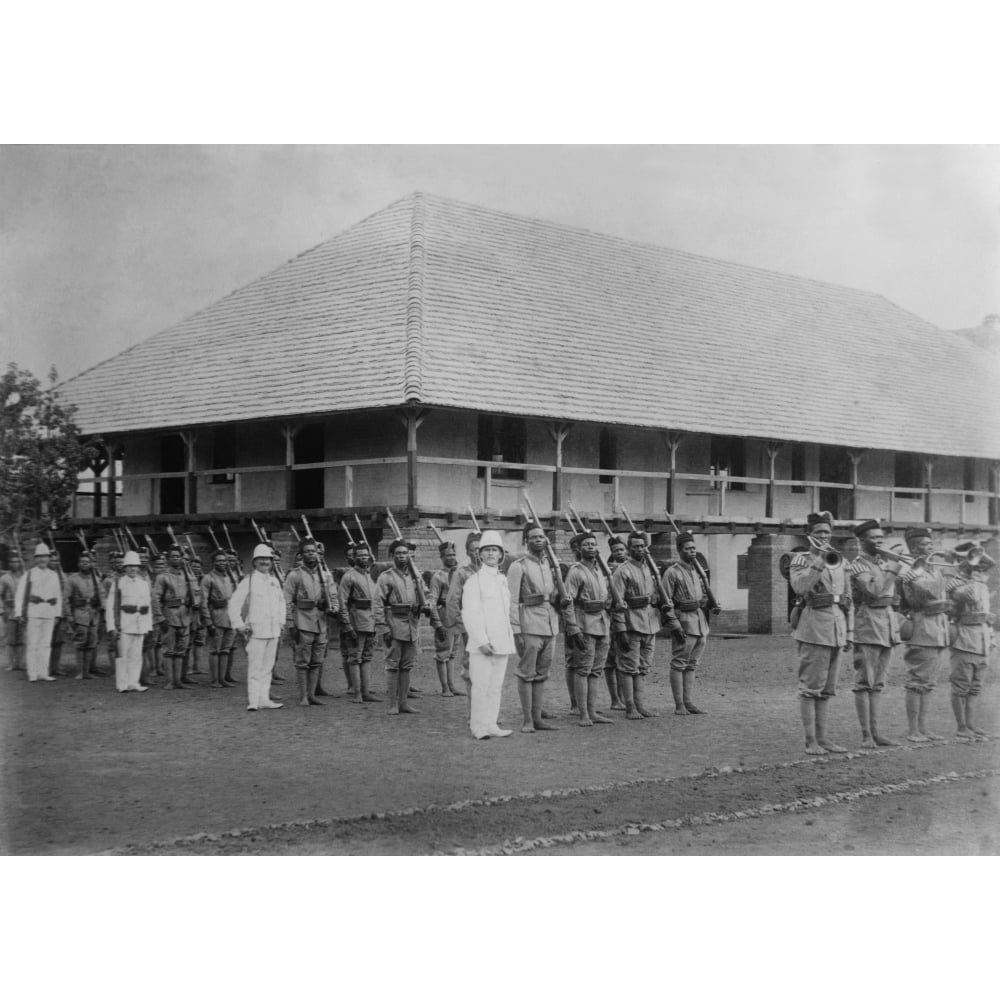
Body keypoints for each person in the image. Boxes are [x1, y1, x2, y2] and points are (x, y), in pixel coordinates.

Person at [788, 512, 853, 754]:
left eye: (827, 532)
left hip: (837, 627)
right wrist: (818, 560)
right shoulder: (800, 559)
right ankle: (810, 741)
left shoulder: (841, 560)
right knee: (810, 688)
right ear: (809, 535)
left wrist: (851, 631)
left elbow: (849, 599)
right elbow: (801, 587)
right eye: (818, 532)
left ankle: (824, 738)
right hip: (813, 628)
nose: (824, 536)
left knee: (827, 690)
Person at [611, 531, 681, 720]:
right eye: (635, 546)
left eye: (642, 546)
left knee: (642, 667)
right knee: (628, 667)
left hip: (650, 623)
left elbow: (655, 596)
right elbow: (616, 603)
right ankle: (630, 707)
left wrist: (659, 600)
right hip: (631, 624)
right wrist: (620, 630)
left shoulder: (650, 570)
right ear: (629, 548)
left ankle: (640, 705)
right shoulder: (622, 571)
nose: (639, 549)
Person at [847, 519, 901, 747]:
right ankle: (866, 735)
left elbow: (891, 594)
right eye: (874, 538)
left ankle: (876, 732)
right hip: (867, 622)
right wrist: (894, 568)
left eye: (881, 538)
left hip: (886, 622)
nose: (879, 541)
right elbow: (873, 591)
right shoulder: (858, 565)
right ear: (861, 540)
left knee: (878, 683)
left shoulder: (881, 563)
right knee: (864, 682)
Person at [506, 522, 564, 733]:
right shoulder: (518, 565)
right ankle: (527, 720)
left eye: (541, 537)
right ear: (526, 541)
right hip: (529, 624)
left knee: (542, 674)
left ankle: (538, 718)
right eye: (534, 537)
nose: (539, 540)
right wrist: (516, 630)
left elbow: (555, 595)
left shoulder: (551, 565)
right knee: (526, 673)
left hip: (550, 625)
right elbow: (512, 601)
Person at [898, 527, 950, 742]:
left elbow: (937, 594)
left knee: (928, 684)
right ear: (914, 548)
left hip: (937, 630)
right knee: (917, 682)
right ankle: (913, 730)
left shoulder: (933, 570)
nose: (932, 548)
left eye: (931, 544)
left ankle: (923, 727)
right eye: (926, 545)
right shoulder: (911, 571)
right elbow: (928, 593)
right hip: (921, 630)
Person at [461, 530, 515, 739]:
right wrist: (481, 641)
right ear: (479, 555)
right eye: (487, 550)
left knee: (495, 687)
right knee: (480, 687)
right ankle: (478, 727)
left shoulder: (501, 580)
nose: (491, 554)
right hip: (482, 645)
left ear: (501, 555)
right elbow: (470, 614)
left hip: (502, 642)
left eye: (495, 550)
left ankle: (491, 724)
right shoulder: (474, 581)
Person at [662, 531, 719, 715]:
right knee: (679, 663)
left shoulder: (696, 571)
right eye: (688, 549)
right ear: (679, 550)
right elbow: (665, 602)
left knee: (692, 664)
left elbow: (700, 597)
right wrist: (675, 624)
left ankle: (688, 701)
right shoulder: (672, 572)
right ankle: (679, 704)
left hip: (700, 621)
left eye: (694, 548)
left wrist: (710, 604)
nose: (692, 552)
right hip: (684, 622)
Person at [562, 531, 614, 726]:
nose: (591, 547)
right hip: (584, 625)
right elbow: (568, 603)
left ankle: (593, 711)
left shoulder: (600, 571)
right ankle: (582, 713)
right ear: (579, 549)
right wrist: (573, 628)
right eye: (587, 545)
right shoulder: (576, 571)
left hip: (602, 624)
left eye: (593, 544)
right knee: (583, 669)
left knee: (596, 671)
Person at [227, 544, 285, 711]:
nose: (265, 562)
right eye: (261, 559)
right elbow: (234, 604)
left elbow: (281, 603)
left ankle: (264, 699)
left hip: (273, 631)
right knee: (255, 668)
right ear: (254, 562)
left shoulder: (274, 581)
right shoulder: (249, 581)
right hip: (256, 631)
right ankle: (253, 701)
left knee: (267, 668)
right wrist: (239, 625)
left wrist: (281, 623)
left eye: (267, 559)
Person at [945, 552, 995, 740]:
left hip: (982, 640)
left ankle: (971, 724)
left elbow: (987, 615)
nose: (980, 570)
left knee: (975, 687)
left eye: (981, 568)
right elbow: (967, 596)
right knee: (961, 686)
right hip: (965, 640)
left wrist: (991, 638)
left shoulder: (981, 584)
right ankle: (961, 726)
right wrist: (968, 572)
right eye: (975, 567)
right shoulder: (956, 583)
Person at [283, 538, 337, 707]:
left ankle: (312, 694)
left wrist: (333, 607)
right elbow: (286, 602)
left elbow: (333, 596)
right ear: (301, 554)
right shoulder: (294, 575)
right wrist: (291, 624)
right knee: (302, 661)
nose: (311, 555)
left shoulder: (326, 576)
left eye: (313, 552)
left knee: (316, 661)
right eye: (307, 552)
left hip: (320, 622)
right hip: (303, 622)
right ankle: (303, 696)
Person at [376, 538, 427, 715]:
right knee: (392, 665)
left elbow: (426, 596)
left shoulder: (416, 576)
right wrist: (384, 628)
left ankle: (404, 702)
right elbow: (378, 604)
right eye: (398, 553)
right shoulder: (386, 577)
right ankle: (392, 704)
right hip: (394, 624)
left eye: (405, 553)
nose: (402, 556)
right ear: (392, 556)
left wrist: (425, 604)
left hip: (412, 624)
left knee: (406, 666)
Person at [337, 540, 383, 704]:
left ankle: (366, 691)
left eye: (366, 555)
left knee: (367, 658)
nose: (363, 558)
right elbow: (341, 602)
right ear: (354, 557)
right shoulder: (349, 576)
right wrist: (347, 625)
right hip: (356, 622)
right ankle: (357, 693)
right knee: (355, 657)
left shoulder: (373, 576)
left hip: (372, 622)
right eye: (359, 555)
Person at [13, 542, 63, 682]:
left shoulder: (53, 575)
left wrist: (57, 613)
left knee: (46, 644)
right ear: (35, 559)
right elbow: (20, 594)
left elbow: (57, 595)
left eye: (45, 557)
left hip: (49, 613)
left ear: (48, 558)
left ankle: (43, 672)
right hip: (34, 612)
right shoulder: (29, 574)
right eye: (40, 557)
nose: (43, 560)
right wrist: (19, 613)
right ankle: (32, 673)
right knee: (33, 643)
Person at [104, 550, 151, 693]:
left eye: (135, 566)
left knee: (136, 656)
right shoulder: (118, 583)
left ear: (139, 568)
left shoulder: (143, 583)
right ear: (124, 568)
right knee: (123, 655)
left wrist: (148, 626)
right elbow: (111, 606)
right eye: (129, 566)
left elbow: (147, 606)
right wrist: (112, 626)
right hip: (124, 624)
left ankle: (134, 682)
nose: (132, 569)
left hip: (140, 624)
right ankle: (122, 684)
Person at [445, 531, 482, 703]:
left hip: (491, 627)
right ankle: (473, 711)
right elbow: (452, 602)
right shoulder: (461, 574)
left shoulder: (494, 573)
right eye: (473, 549)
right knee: (473, 667)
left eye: (480, 549)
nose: (477, 553)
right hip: (471, 627)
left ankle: (489, 711)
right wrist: (463, 627)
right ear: (468, 552)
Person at [153, 546, 195, 691]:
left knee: (181, 650)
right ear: (169, 559)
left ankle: (178, 681)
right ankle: (170, 681)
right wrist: (160, 618)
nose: (176, 559)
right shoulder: (162, 577)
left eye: (179, 556)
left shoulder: (187, 577)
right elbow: (156, 598)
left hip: (184, 616)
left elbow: (193, 596)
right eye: (173, 556)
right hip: (169, 616)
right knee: (168, 650)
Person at [429, 540, 466, 697]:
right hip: (444, 614)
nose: (451, 558)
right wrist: (438, 624)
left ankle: (452, 685)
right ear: (442, 557)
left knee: (452, 654)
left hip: (457, 615)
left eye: (453, 554)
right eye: (448, 555)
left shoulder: (458, 574)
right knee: (443, 653)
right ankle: (444, 687)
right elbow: (432, 602)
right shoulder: (438, 577)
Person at [64, 551, 103, 681]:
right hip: (79, 613)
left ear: (91, 564)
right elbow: (66, 599)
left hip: (93, 614)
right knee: (80, 642)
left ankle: (87, 672)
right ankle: (80, 672)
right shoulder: (72, 579)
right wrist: (69, 615)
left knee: (91, 643)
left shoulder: (96, 580)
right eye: (82, 562)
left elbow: (102, 596)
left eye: (87, 562)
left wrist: (103, 607)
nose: (85, 564)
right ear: (78, 564)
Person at [201, 549, 237, 688]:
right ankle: (215, 679)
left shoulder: (230, 578)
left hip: (230, 619)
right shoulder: (208, 578)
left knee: (225, 650)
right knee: (215, 650)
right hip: (216, 618)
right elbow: (203, 602)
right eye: (219, 561)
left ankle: (222, 678)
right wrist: (208, 622)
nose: (222, 563)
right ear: (213, 562)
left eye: (224, 560)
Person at [602, 536, 628, 710]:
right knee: (611, 662)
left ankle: (625, 697)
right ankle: (615, 699)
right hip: (612, 619)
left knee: (626, 661)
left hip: (631, 619)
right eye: (615, 550)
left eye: (621, 549)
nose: (619, 552)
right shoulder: (608, 571)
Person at [1, 550, 26, 672]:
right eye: (12, 562)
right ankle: (11, 663)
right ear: (9, 563)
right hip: (10, 611)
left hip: (22, 612)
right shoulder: (4, 578)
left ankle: (20, 663)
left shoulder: (25, 577)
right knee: (11, 640)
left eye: (17, 562)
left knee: (21, 639)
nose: (15, 564)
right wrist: (1, 609)